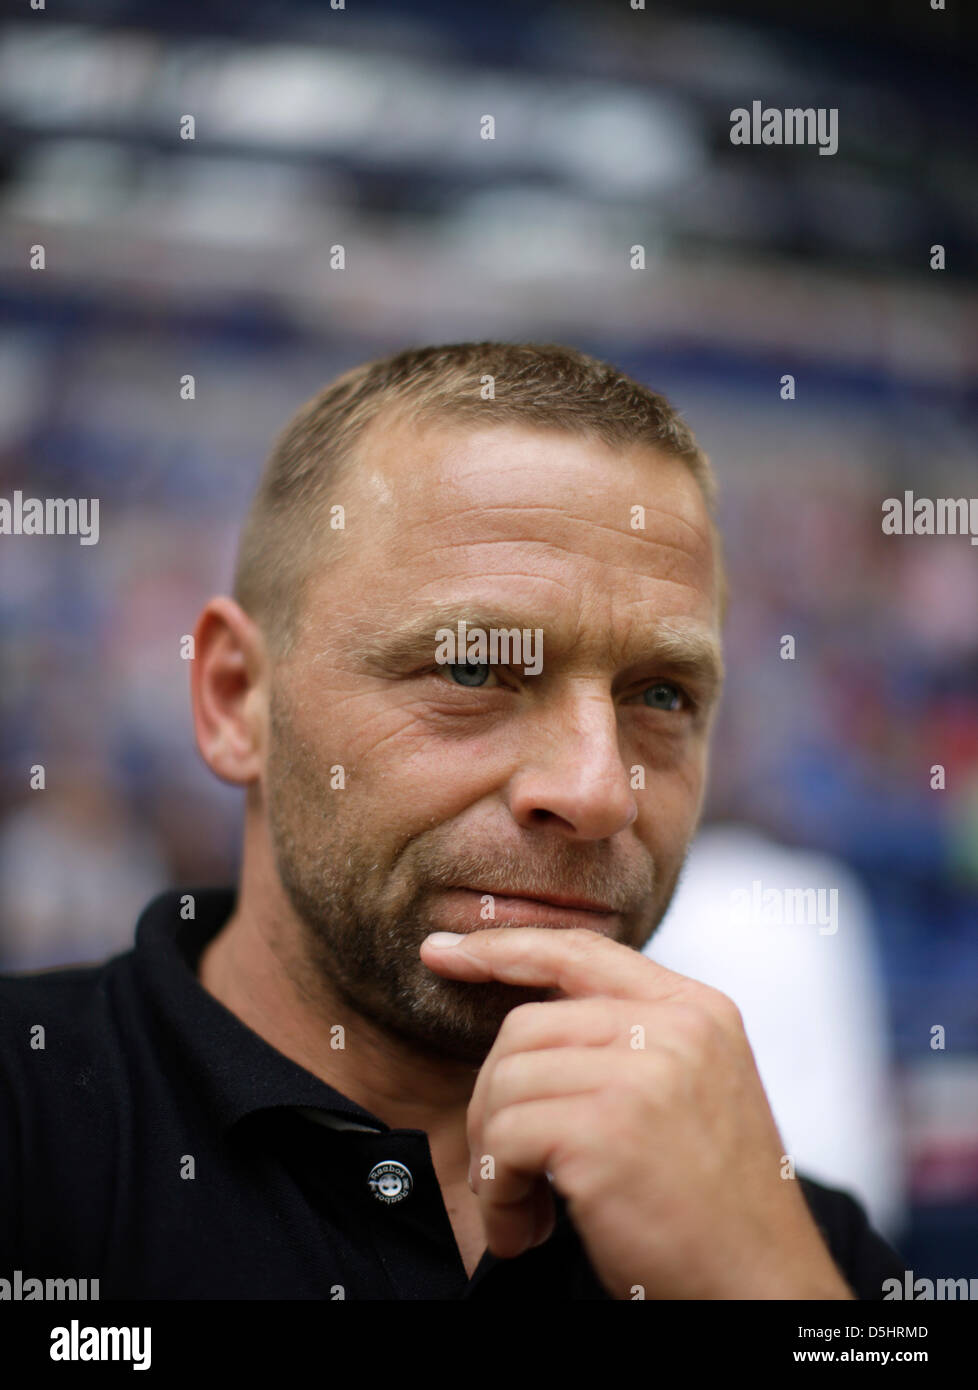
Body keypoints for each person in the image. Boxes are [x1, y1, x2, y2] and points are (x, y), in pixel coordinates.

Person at [0, 341, 907, 1300]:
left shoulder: (810, 1251)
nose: (598, 789)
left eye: (661, 696)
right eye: (472, 670)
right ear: (236, 699)